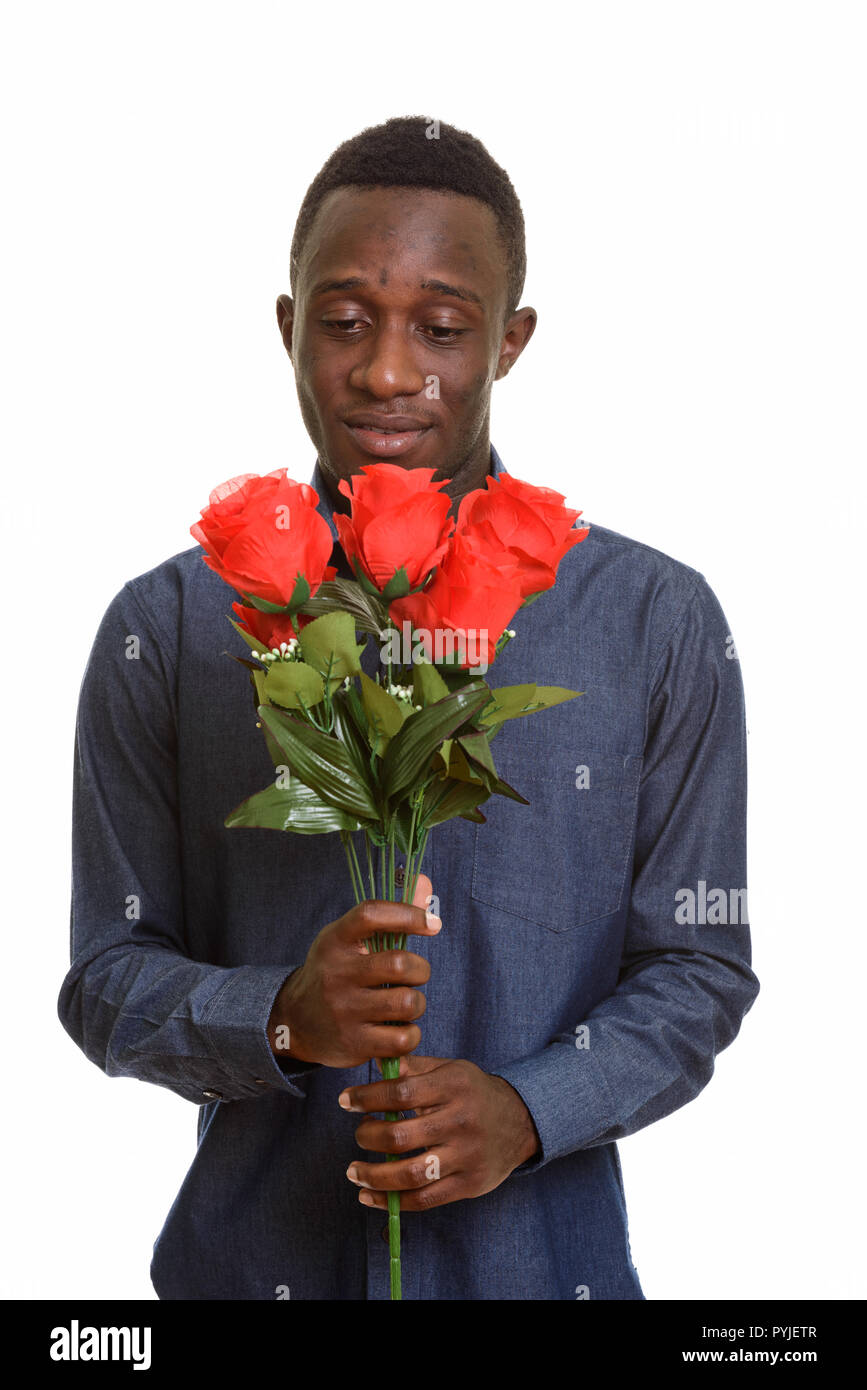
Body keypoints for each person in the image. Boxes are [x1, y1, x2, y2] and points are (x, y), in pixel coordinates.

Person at [59, 115, 759, 1301]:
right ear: (287, 329)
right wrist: (275, 1016)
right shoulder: (165, 631)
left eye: (440, 328)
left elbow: (700, 968)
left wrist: (533, 1110)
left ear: (510, 341)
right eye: (342, 322)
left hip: (545, 1275)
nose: (387, 371)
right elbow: (105, 976)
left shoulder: (659, 623)